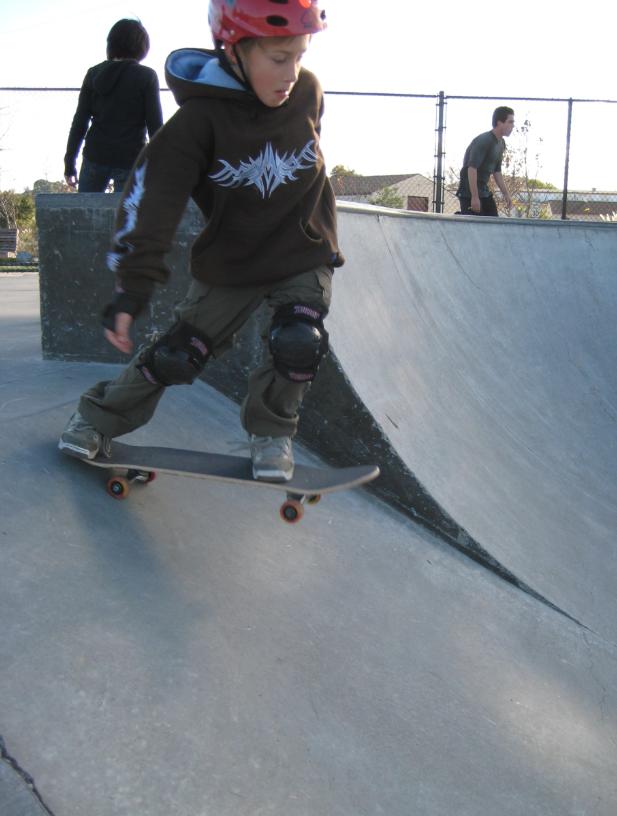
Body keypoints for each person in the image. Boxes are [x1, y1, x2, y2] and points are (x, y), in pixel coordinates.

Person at [58, 0, 343, 483]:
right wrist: (133, 288)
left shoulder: (308, 92)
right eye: (278, 59)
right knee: (178, 354)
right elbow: (152, 202)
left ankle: (271, 432)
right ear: (234, 51)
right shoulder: (197, 122)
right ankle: (97, 418)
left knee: (299, 339)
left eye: (299, 55)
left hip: (301, 250)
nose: (292, 72)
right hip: (232, 259)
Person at [64, 18, 163, 193]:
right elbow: (155, 126)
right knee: (127, 219)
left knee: (87, 216)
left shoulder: (93, 74)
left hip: (95, 156)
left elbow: (80, 122)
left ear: (111, 44)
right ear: (142, 47)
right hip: (131, 160)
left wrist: (70, 162)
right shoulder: (147, 77)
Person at [456, 106, 515, 216]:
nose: (513, 126)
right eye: (510, 122)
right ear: (499, 123)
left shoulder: (501, 144)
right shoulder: (484, 141)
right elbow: (472, 168)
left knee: (493, 221)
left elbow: (497, 172)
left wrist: (506, 195)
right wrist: (474, 197)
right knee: (474, 227)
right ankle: (458, 219)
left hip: (484, 191)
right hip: (468, 192)